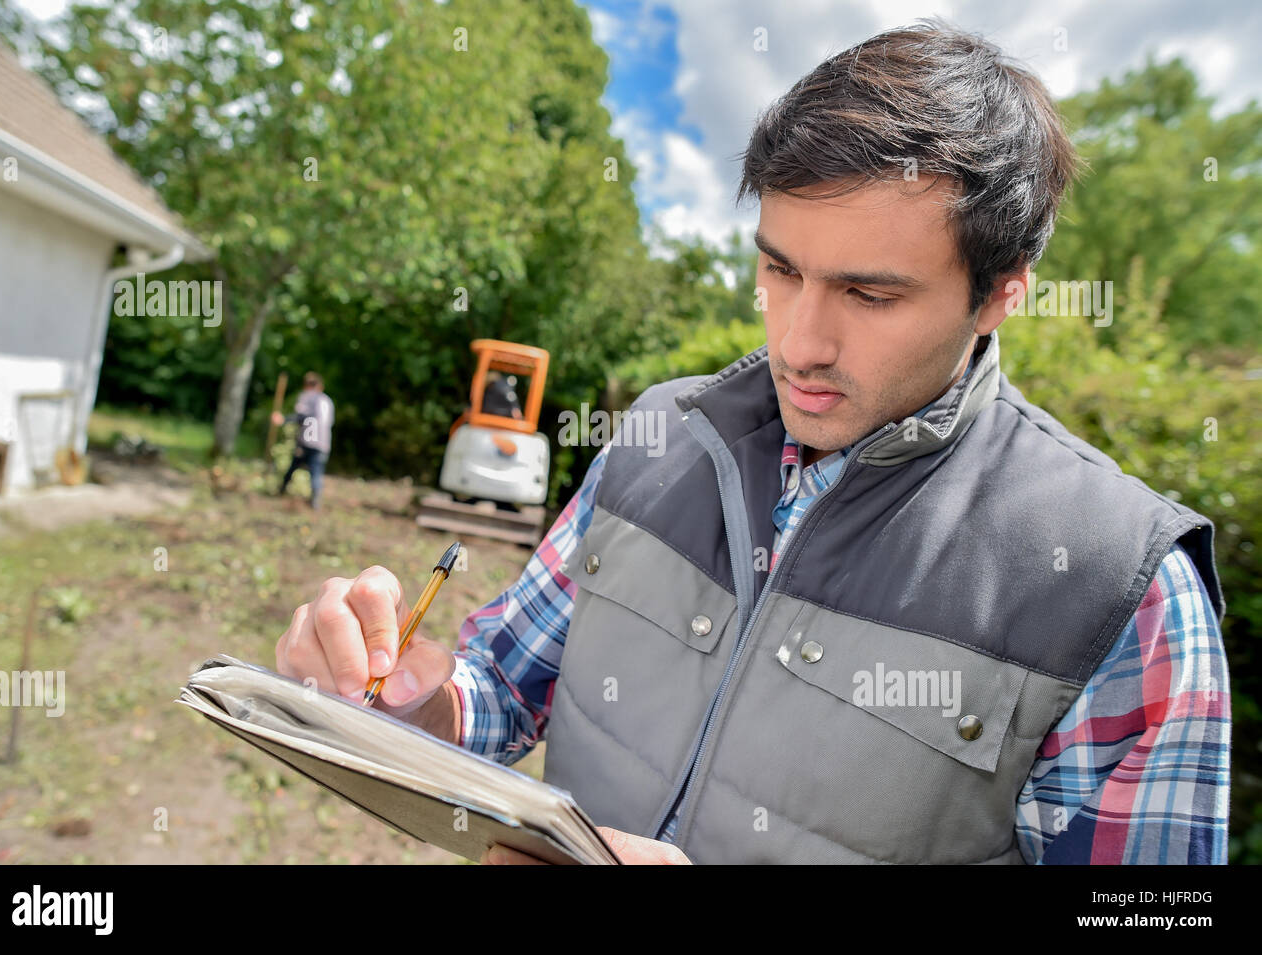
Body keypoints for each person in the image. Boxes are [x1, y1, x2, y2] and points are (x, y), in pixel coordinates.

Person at [274, 21, 1230, 865]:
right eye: (779, 268)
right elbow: (499, 696)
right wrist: (414, 698)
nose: (800, 343)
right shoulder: (658, 436)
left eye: (871, 294)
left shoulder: (1123, 590)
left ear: (1000, 294)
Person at [273, 371, 334, 511]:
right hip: (323, 443)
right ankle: (315, 501)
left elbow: (301, 416)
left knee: (294, 465)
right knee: (316, 471)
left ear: (307, 385)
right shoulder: (327, 401)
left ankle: (281, 490)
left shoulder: (307, 397)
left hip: (307, 441)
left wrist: (283, 420)